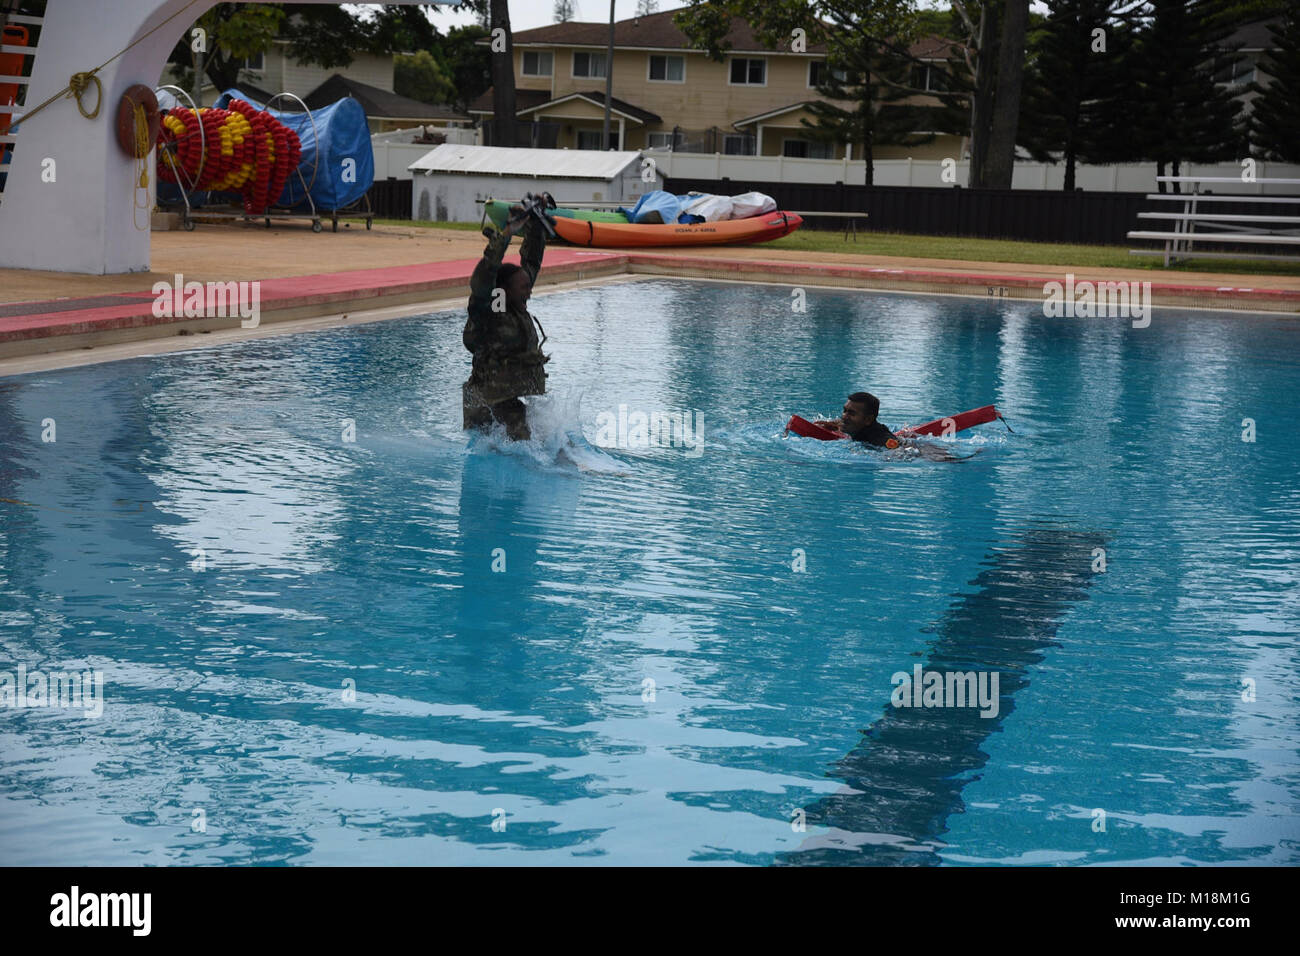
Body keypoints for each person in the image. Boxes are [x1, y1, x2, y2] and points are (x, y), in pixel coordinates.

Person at [462, 195, 554, 441]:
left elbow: (531, 261)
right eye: (524, 287)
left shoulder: (515, 301)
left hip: (508, 395)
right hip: (485, 399)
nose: (529, 290)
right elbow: (485, 275)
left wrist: (535, 224)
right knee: (516, 445)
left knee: (536, 439)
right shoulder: (493, 308)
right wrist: (506, 234)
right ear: (504, 289)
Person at [814, 392, 900, 448]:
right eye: (844, 411)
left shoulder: (878, 438)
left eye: (851, 413)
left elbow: (899, 452)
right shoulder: (858, 426)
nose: (844, 416)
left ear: (868, 419)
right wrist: (836, 425)